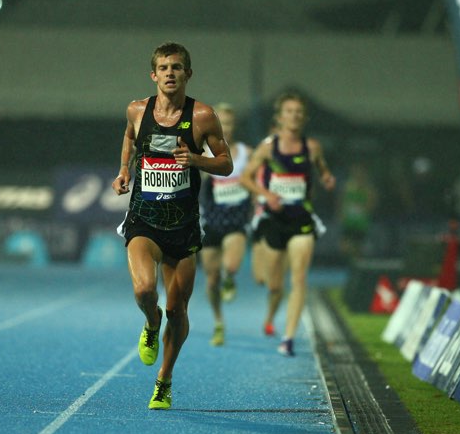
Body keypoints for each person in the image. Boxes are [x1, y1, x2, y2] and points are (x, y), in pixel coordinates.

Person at [112, 42, 233, 410]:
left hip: (182, 228)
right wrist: (123, 170)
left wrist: (196, 159)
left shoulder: (203, 116)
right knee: (145, 289)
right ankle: (150, 325)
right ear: (153, 75)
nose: (169, 73)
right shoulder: (136, 109)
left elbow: (226, 164)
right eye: (163, 67)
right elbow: (130, 138)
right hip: (144, 221)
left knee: (177, 311)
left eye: (176, 67)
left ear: (187, 74)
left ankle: (163, 379)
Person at [240, 92, 335, 356]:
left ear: (303, 118)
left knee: (300, 277)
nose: (293, 116)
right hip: (273, 220)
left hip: (301, 219)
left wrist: (327, 178)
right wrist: (267, 195)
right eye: (289, 111)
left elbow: (322, 167)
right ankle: (271, 314)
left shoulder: (312, 147)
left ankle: (289, 337)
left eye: (298, 112)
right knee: (273, 284)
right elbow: (246, 178)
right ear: (280, 117)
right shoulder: (268, 148)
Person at [198, 103, 253, 347]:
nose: (226, 128)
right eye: (221, 123)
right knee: (211, 280)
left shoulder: (246, 153)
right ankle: (218, 322)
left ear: (234, 126)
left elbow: (260, 180)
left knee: (230, 265)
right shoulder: (203, 152)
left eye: (229, 123)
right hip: (211, 220)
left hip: (236, 221)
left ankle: (230, 277)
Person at [337, 161, 377, 263]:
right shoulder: (347, 186)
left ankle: (357, 267)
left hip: (360, 223)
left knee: (358, 249)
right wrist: (340, 214)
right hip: (348, 222)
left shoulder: (368, 188)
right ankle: (354, 263)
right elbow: (341, 201)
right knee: (344, 247)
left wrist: (362, 208)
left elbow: (372, 205)